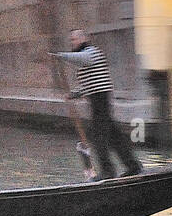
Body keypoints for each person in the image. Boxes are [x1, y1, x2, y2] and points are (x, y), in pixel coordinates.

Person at [50, 29, 143, 179]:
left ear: (82, 39)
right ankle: (133, 166)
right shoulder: (84, 60)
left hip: (100, 98)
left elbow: (84, 59)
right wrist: (74, 94)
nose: (71, 43)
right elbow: (88, 84)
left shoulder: (92, 52)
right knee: (114, 136)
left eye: (73, 40)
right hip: (97, 99)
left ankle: (108, 171)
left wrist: (61, 56)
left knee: (99, 136)